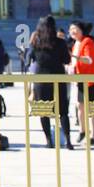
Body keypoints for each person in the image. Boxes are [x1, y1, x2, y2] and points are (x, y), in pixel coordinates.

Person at [29, 15, 73, 149]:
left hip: (41, 78)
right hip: (58, 77)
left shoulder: (35, 42)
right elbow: (66, 60)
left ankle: (49, 140)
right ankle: (68, 141)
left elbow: (30, 57)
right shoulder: (60, 42)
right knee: (63, 111)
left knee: (44, 111)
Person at [68, 20, 94, 145]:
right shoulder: (76, 43)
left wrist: (74, 57)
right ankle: (82, 131)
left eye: (75, 29)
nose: (72, 32)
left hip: (92, 80)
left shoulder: (88, 41)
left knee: (92, 108)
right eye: (70, 29)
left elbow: (89, 60)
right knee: (80, 106)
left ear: (82, 30)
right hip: (81, 79)